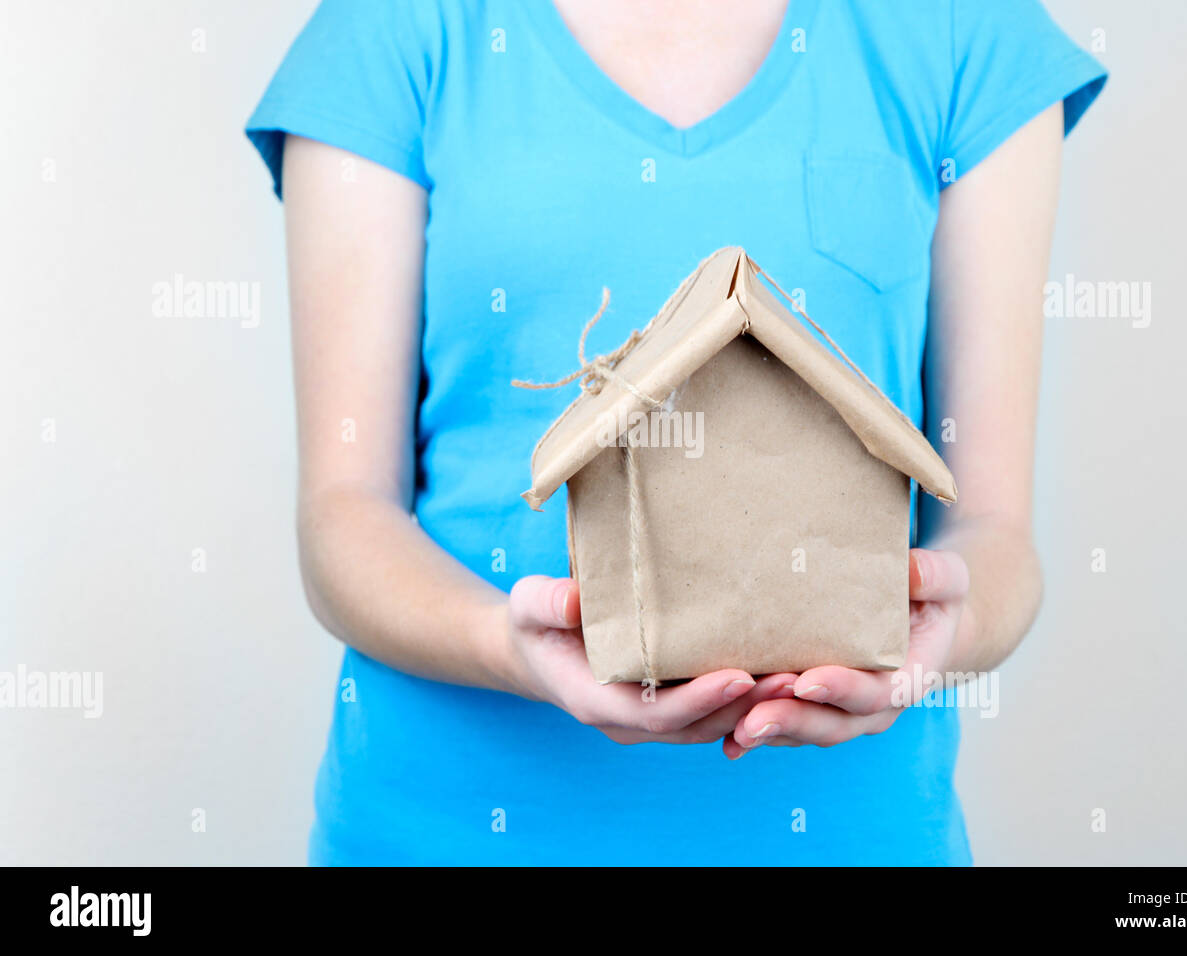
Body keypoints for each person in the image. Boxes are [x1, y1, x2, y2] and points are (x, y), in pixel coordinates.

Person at [246, 0, 1106, 865]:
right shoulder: (391, 28)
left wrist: (940, 637)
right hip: (443, 832)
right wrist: (506, 644)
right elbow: (343, 513)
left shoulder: (962, 28)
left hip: (850, 838)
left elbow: (994, 531)